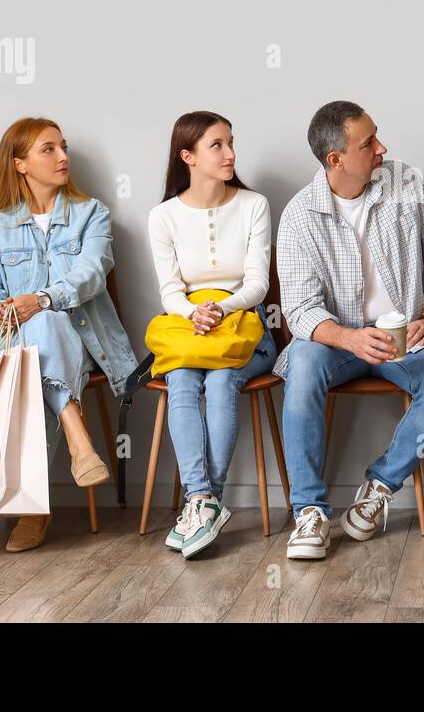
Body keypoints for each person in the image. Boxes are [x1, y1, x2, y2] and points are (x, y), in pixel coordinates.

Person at [276, 101, 424, 560]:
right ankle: (309, 512)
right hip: (339, 343)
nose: (382, 148)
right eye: (368, 144)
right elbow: (300, 310)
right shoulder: (300, 215)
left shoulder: (404, 184)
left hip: (406, 337)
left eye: (376, 136)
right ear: (335, 160)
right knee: (301, 364)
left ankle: (379, 486)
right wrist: (349, 338)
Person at [0, 117, 138, 552]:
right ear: (20, 164)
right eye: (48, 149)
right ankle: (77, 438)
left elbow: (91, 276)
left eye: (63, 147)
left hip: (83, 342)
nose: (63, 157)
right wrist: (1, 309)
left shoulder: (91, 214)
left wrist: (39, 300)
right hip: (12, 348)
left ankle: (34, 508)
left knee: (48, 320)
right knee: (38, 336)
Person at [147, 111, 277, 559]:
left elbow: (258, 283)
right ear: (188, 156)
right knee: (182, 380)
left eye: (230, 143)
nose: (230, 154)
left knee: (222, 380)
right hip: (189, 325)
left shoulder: (254, 205)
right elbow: (169, 292)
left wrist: (220, 307)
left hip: (245, 325)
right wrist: (195, 314)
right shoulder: (163, 216)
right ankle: (202, 501)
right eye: (216, 145)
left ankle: (204, 500)